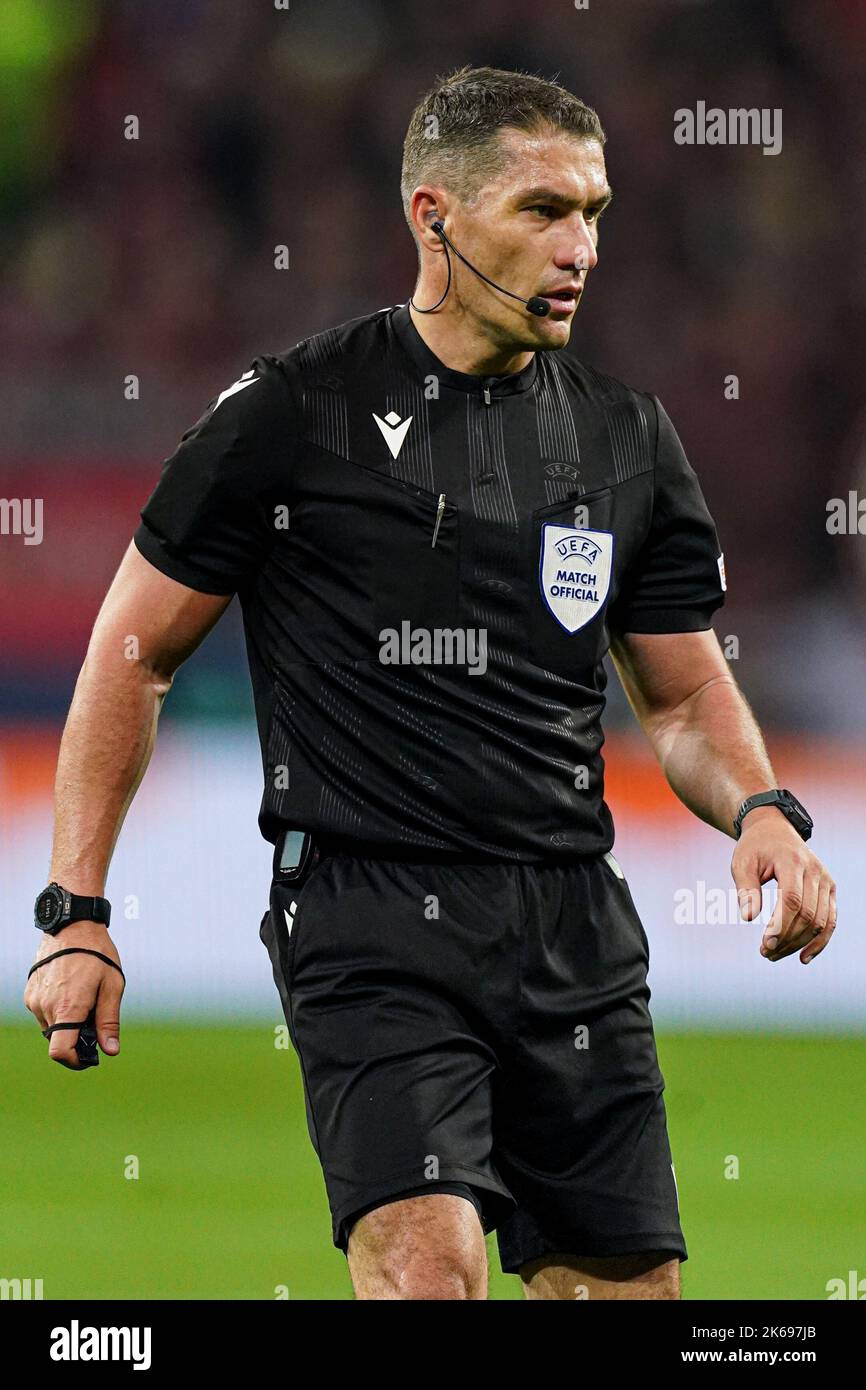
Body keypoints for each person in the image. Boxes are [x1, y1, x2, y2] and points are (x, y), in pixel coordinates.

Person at [25, 66, 836, 1301]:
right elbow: (130, 653)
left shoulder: (625, 441)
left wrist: (763, 810)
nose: (580, 247)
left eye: (595, 212)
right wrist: (74, 908)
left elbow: (675, 698)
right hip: (366, 915)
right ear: (434, 216)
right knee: (425, 1270)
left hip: (571, 923)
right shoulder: (290, 415)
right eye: (542, 209)